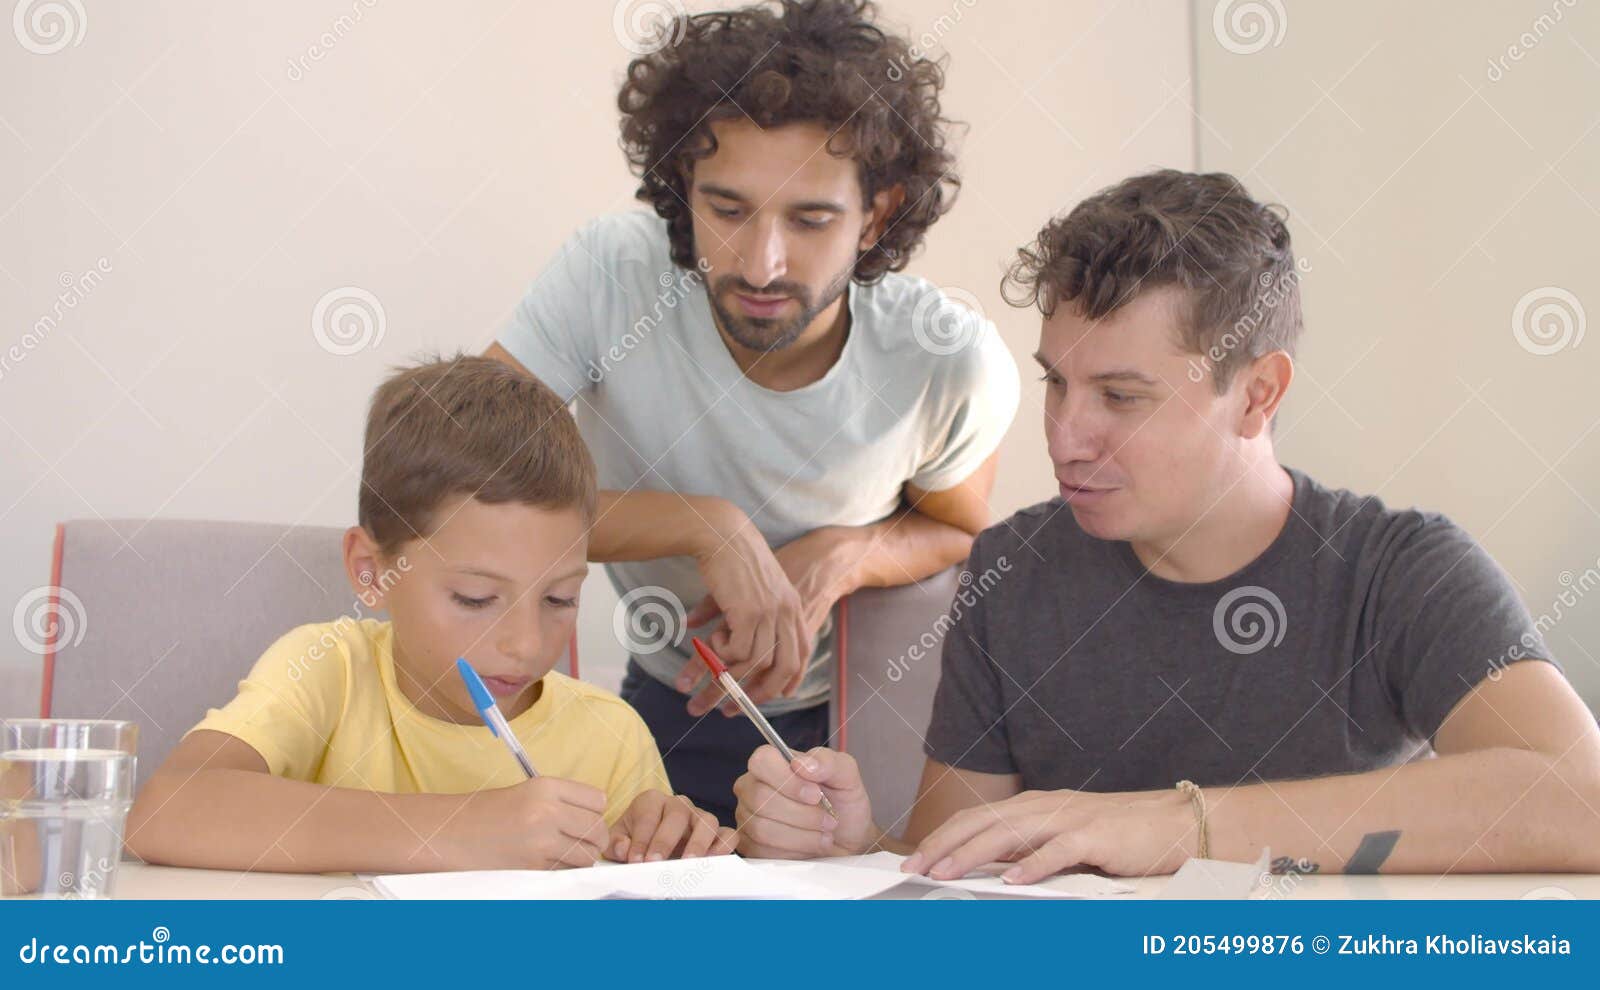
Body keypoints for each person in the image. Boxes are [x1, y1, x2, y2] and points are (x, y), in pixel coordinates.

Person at [732, 170, 1600, 879]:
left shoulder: (1401, 573)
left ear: (1258, 394)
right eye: (1057, 385)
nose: (1066, 437)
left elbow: (1581, 800)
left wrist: (1179, 826)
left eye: (1121, 397)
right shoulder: (1016, 570)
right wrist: (848, 852)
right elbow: (959, 873)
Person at [486, 0, 1019, 823]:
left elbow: (955, 528)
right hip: (668, 698)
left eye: (811, 219)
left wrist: (843, 555)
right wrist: (706, 527)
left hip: (864, 723)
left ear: (877, 213)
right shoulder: (609, 276)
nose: (761, 264)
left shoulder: (947, 359)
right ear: (681, 190)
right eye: (727, 211)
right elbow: (467, 492)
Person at [127, 355, 734, 873]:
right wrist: (465, 827)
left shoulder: (611, 734)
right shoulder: (327, 673)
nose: (525, 644)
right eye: (474, 598)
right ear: (371, 571)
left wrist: (673, 847)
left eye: (559, 599)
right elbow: (168, 808)